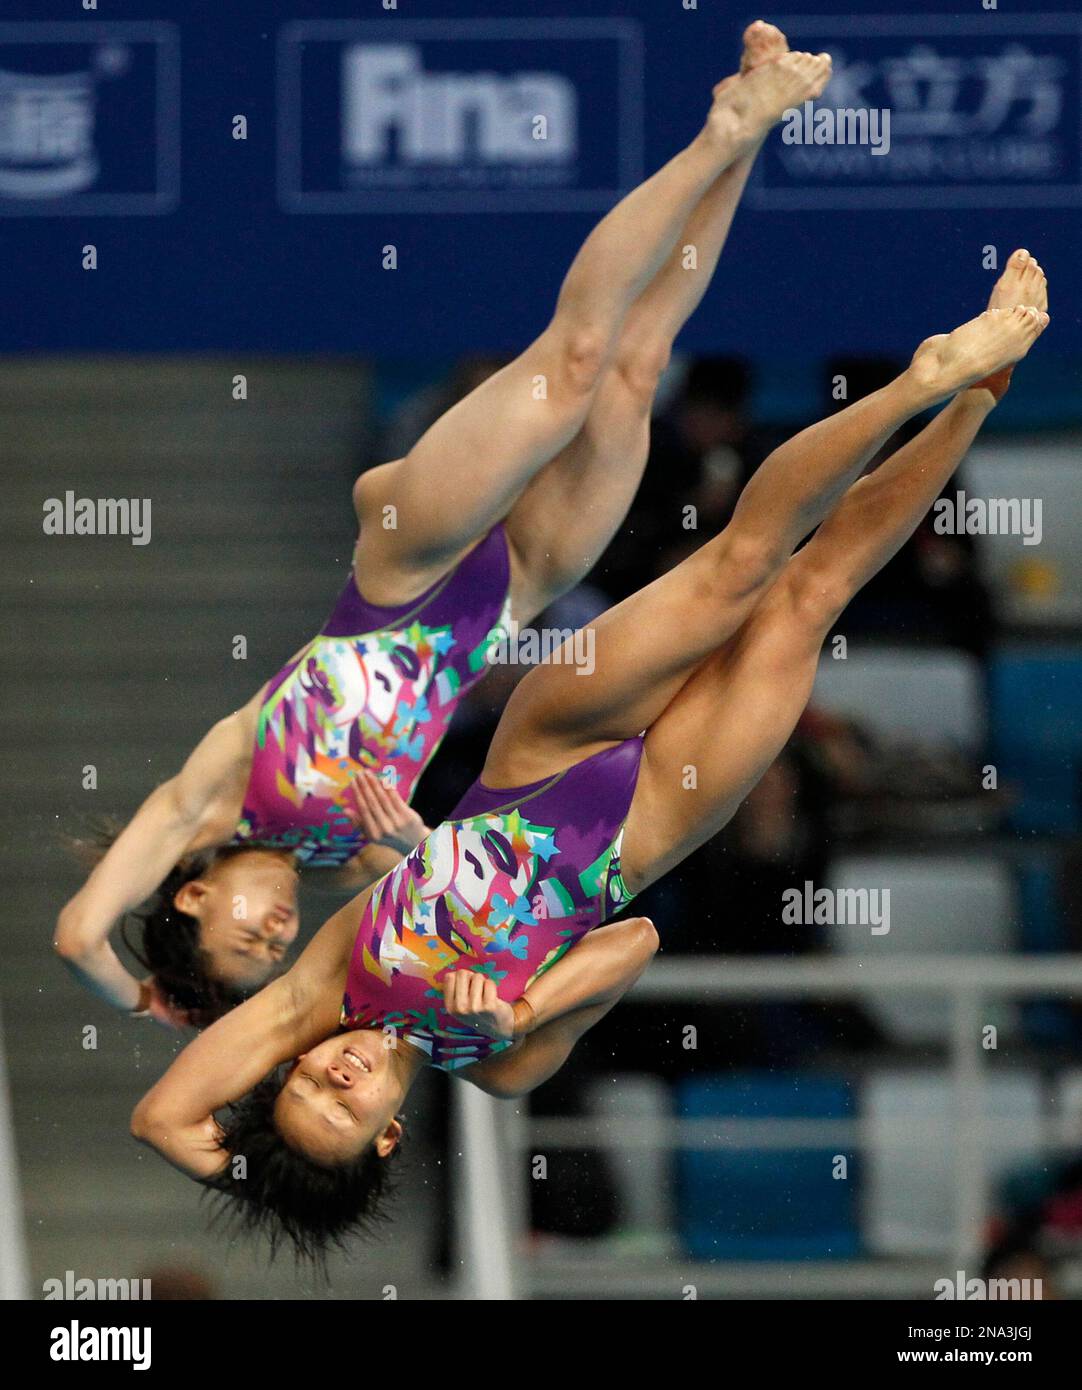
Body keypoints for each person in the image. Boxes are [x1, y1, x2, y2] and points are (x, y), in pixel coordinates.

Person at [129, 254, 1050, 1256]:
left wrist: (276, 1169)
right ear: (390, 1134)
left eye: (307, 1085)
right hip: (644, 822)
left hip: (540, 754)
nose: (333, 1076)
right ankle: (972, 401)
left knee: (742, 562)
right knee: (806, 597)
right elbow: (636, 945)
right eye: (343, 1113)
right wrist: (521, 1007)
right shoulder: (500, 1065)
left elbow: (161, 1119)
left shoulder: (313, 995)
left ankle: (918, 378)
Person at [55, 22, 828, 1026]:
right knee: (639, 366)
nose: (275, 932)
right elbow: (451, 867)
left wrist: (155, 1006)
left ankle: (715, 131)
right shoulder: (340, 870)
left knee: (577, 355)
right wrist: (415, 838)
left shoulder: (198, 803)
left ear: (193, 893)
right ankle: (752, 122)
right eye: (272, 951)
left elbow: (78, 936)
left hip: (401, 567)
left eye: (244, 932)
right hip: (503, 598)